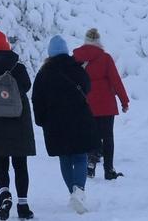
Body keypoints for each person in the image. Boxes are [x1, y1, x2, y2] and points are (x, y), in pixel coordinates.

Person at [33, 35, 97, 215]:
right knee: (80, 156)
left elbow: (36, 99)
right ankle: (79, 191)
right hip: (79, 118)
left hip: (55, 123)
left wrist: (40, 119)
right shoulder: (76, 69)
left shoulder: (43, 73)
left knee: (65, 158)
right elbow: (87, 87)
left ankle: (72, 193)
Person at [0, 30, 36, 220]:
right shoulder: (17, 67)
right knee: (20, 164)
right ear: (7, 45)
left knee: (0, 162)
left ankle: (4, 193)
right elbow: (26, 86)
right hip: (18, 121)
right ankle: (23, 205)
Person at [72, 27, 129, 180]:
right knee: (108, 137)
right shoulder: (105, 58)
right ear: (98, 41)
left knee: (91, 135)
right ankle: (108, 170)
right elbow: (116, 81)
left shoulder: (77, 58)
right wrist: (124, 101)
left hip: (86, 104)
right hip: (106, 105)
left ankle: (90, 163)